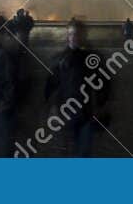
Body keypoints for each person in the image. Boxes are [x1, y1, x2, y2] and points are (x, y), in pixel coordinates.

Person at [45, 19, 108, 157]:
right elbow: (52, 85)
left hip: (87, 112)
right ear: (67, 36)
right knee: (68, 151)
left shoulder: (93, 58)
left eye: (77, 34)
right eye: (71, 34)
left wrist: (101, 105)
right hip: (66, 112)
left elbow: (104, 84)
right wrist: (53, 106)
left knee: (83, 152)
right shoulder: (61, 59)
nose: (74, 37)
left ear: (83, 36)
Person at [0, 18, 30, 156]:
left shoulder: (24, 55)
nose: (24, 38)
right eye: (21, 34)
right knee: (7, 146)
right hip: (7, 108)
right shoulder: (4, 55)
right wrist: (0, 101)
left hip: (19, 108)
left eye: (25, 35)